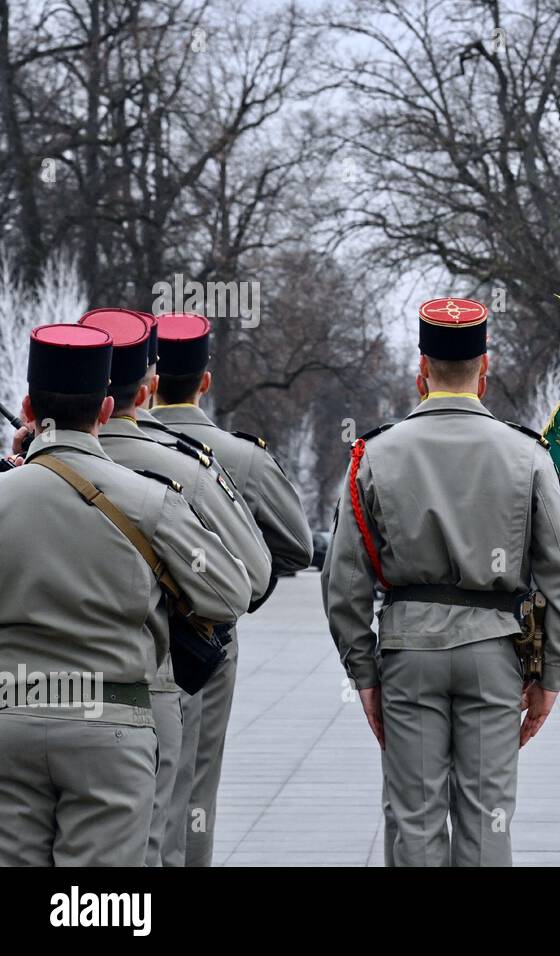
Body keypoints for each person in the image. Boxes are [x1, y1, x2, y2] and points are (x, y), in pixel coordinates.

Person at [323, 296, 560, 867]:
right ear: (483, 372)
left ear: (422, 372)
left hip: (408, 649)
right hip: (494, 650)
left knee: (412, 817)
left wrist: (363, 672)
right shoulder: (527, 455)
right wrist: (551, 674)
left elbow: (344, 580)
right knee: (487, 816)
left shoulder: (375, 454)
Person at [0, 324, 251, 866]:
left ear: (26, 406)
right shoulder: (148, 501)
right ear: (109, 405)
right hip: (109, 724)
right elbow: (231, 592)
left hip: (10, 716)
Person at [77, 308, 273, 867]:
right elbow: (251, 578)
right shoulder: (181, 468)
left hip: (34, 689)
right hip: (153, 677)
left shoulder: (24, 473)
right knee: (166, 834)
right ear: (147, 388)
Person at [151, 312, 314, 867]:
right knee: (193, 786)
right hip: (204, 641)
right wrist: (235, 593)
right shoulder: (239, 457)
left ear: (149, 378)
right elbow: (295, 544)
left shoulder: (108, 446)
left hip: (106, 630)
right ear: (206, 379)